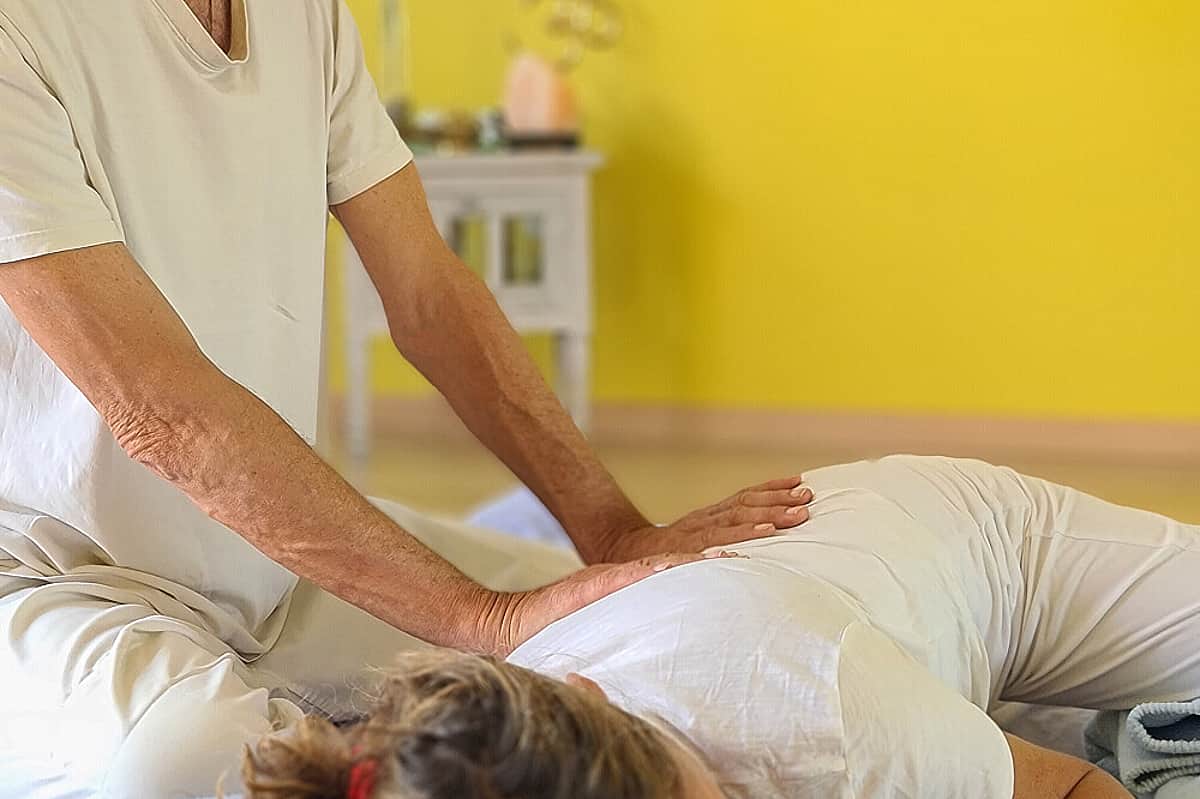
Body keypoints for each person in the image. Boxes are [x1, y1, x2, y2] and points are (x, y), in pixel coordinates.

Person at [0, 2, 811, 796]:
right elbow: (163, 410)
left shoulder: (306, 15)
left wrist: (614, 530)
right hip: (58, 582)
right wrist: (478, 619)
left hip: (274, 569)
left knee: (625, 621)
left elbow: (427, 291)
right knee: (188, 765)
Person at [243, 455, 1199, 799]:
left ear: (594, 701)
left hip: (980, 547)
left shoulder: (819, 724)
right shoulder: (501, 751)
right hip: (826, 611)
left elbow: (1074, 788)